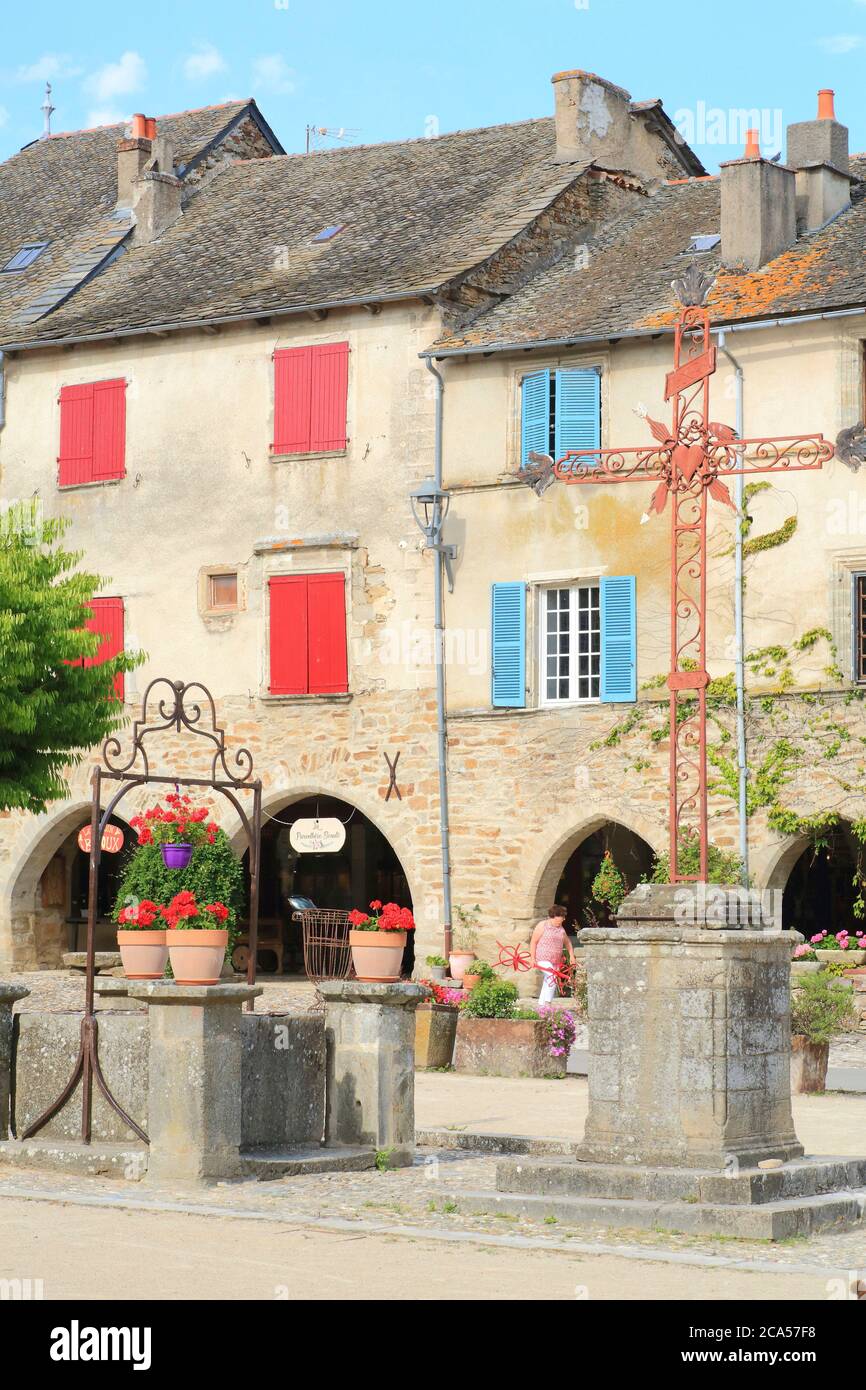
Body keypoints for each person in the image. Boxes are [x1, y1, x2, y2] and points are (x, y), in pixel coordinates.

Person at [529, 905, 574, 1005]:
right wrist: (532, 959)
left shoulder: (561, 929)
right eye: (562, 917)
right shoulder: (543, 925)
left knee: (548, 980)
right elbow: (533, 942)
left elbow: (568, 943)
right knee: (552, 976)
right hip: (542, 958)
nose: (564, 919)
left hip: (555, 961)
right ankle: (548, 1002)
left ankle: (541, 1006)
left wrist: (572, 956)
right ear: (556, 916)